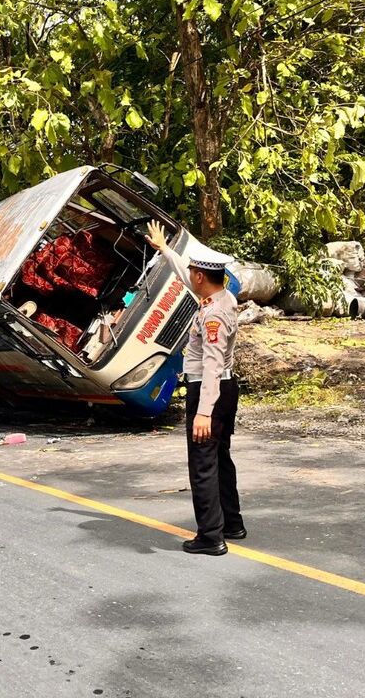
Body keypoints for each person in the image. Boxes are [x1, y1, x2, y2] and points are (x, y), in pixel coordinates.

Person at [146, 222, 245, 555]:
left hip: (209, 390)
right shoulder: (221, 296)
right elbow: (186, 277)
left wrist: (203, 412)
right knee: (220, 457)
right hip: (226, 390)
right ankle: (232, 523)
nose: (188, 274)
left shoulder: (213, 314)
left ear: (200, 277)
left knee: (203, 462)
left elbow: (213, 366)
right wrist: (165, 250)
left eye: (191, 271)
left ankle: (210, 537)